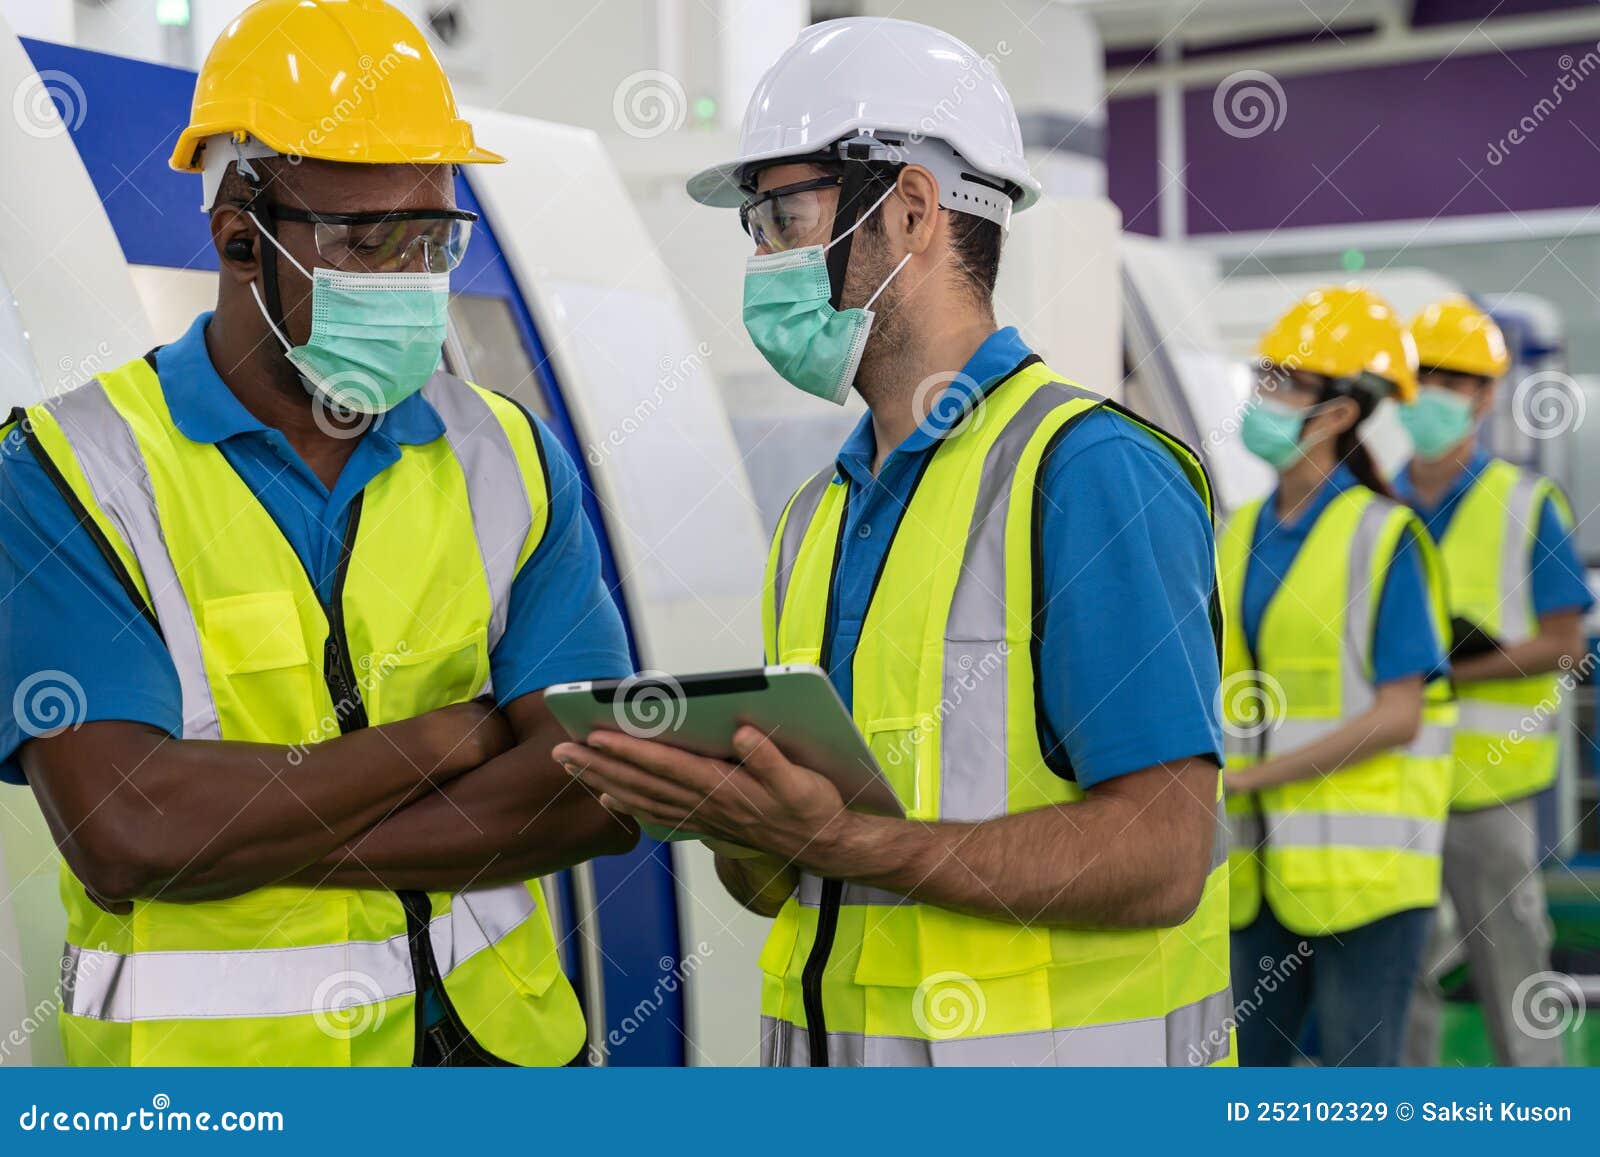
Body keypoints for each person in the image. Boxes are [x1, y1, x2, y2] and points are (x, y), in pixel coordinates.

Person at [559, 17, 1233, 1068]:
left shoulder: (1085, 471)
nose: (762, 258)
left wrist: (850, 840)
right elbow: (788, 875)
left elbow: (1163, 853)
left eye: (783, 215)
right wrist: (734, 816)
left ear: (911, 208)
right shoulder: (816, 516)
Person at [0, 0, 636, 1066]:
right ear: (238, 233)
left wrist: (251, 830)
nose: (409, 274)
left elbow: (599, 786)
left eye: (432, 234)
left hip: (506, 1061)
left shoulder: (507, 457)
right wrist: (449, 738)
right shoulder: (66, 473)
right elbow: (130, 831)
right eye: (365, 237)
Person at [1221, 286, 1455, 1067]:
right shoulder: (1237, 533)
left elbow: (1400, 714)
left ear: (1341, 413)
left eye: (1286, 381)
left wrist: (1254, 778)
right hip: (1251, 868)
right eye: (1265, 375)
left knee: (1360, 1087)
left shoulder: (1384, 537)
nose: (1265, 397)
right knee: (1242, 1077)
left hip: (1368, 876)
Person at [1396, 296, 1593, 1067]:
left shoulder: (1526, 504)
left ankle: (1539, 1121)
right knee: (1400, 971)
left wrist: (1450, 670)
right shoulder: (1375, 503)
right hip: (1394, 783)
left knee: (1511, 967)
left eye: (1459, 379)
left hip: (1489, 789)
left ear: (1487, 395)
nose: (1439, 391)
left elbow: (1564, 642)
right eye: (1426, 375)